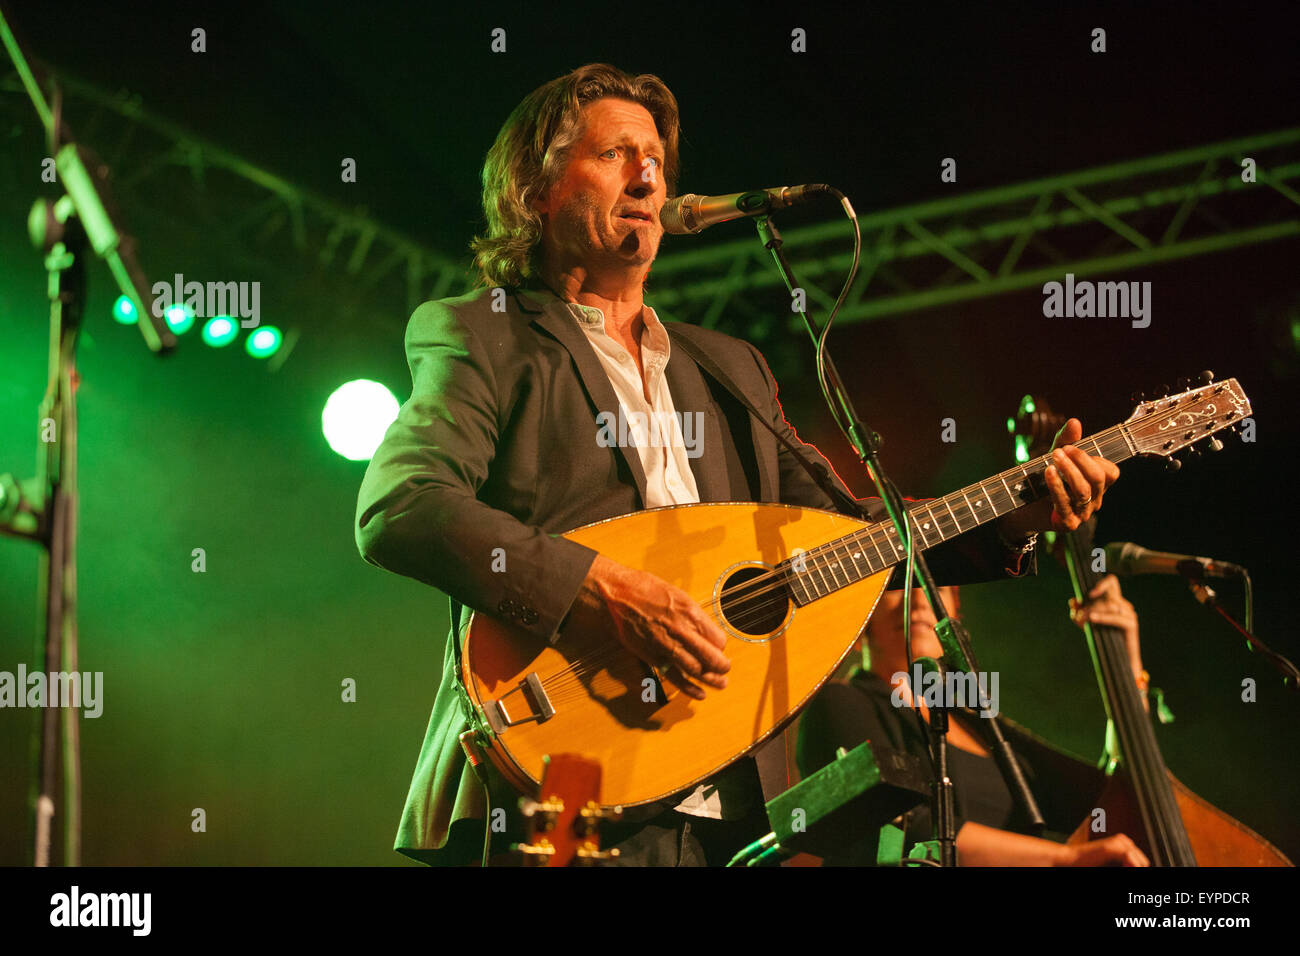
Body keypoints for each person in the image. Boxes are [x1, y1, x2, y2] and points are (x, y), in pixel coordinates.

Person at [354, 63, 1120, 866]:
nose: (648, 175)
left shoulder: (729, 367)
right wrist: (600, 590)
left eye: (655, 158)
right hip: (562, 772)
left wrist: (1021, 512)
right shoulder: (486, 333)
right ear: (534, 189)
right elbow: (402, 504)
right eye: (615, 154)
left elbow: (852, 538)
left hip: (739, 809)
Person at [796, 576, 1150, 865]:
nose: (918, 601)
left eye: (936, 587)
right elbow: (905, 827)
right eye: (896, 586)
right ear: (863, 618)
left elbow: (1105, 801)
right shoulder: (841, 701)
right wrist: (1062, 860)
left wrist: (1127, 671)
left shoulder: (981, 726)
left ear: (954, 619)